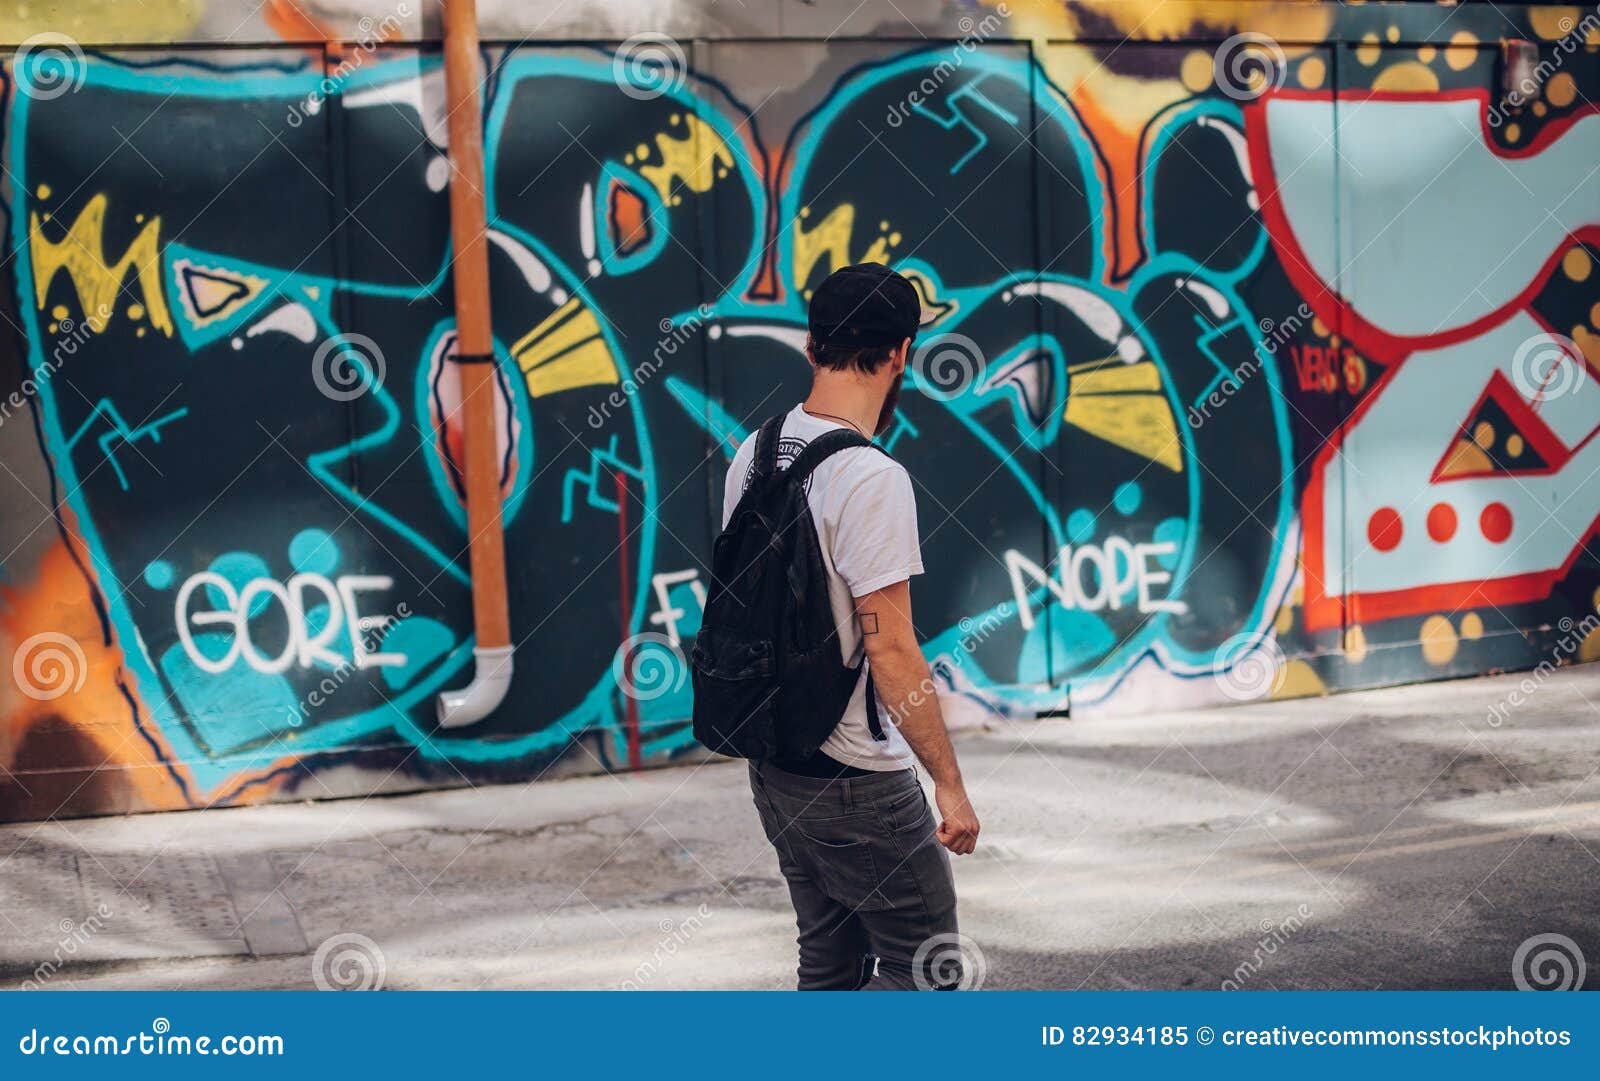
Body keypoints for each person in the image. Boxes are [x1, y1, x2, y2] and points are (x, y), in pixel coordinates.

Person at [719, 262, 980, 990]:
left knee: (830, 964)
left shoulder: (756, 451)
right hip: (856, 779)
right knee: (924, 972)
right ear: (901, 353)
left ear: (813, 347)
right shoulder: (870, 477)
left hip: (777, 768)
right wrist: (949, 786)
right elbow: (890, 646)